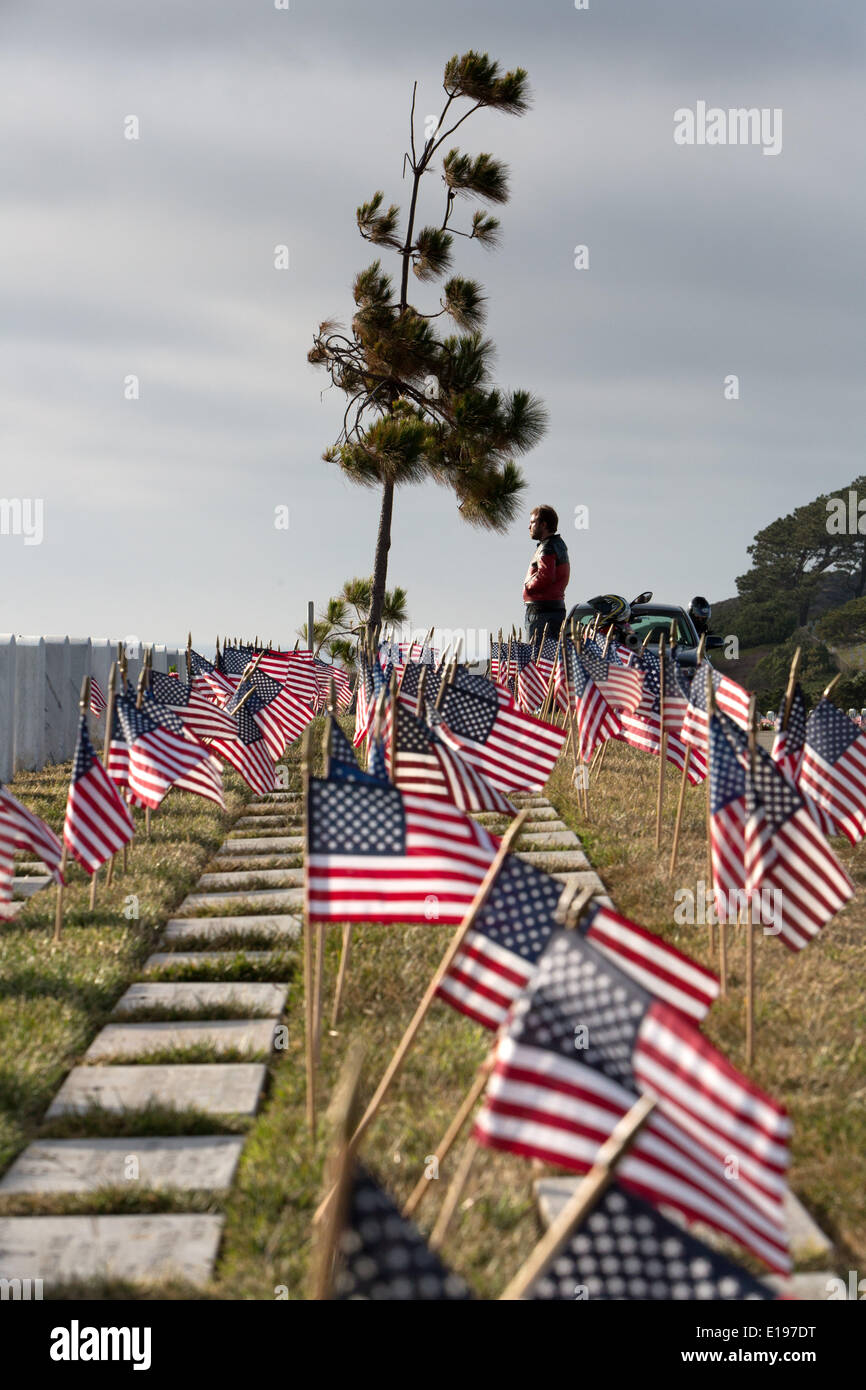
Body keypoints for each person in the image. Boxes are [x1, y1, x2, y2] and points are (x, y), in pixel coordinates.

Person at [523, 504, 570, 644]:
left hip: (541, 613)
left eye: (532, 522)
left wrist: (528, 586)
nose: (529, 527)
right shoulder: (559, 544)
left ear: (543, 525)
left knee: (537, 657)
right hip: (555, 610)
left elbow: (545, 576)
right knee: (549, 658)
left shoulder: (547, 547)